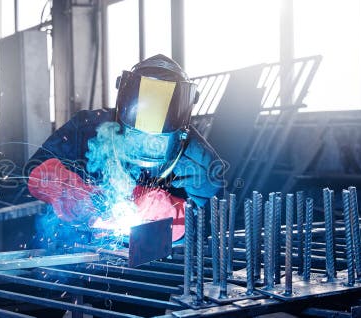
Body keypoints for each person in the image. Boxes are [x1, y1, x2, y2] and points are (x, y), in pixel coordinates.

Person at [26, 54, 224, 240]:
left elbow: (215, 223)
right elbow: (33, 169)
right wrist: (68, 190)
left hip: (164, 257)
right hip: (82, 245)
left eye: (155, 142)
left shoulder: (200, 159)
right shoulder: (87, 127)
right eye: (137, 137)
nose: (146, 145)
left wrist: (174, 212)